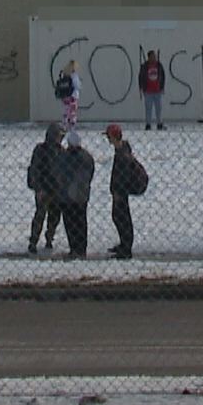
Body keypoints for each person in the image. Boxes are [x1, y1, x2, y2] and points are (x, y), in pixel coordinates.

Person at [103, 124, 146, 259]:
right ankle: (124, 244)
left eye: (109, 136)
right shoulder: (121, 150)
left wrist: (118, 192)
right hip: (120, 190)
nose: (108, 139)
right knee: (119, 217)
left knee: (121, 218)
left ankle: (126, 248)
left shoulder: (122, 155)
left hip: (121, 192)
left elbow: (122, 176)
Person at [25, 123, 65, 254]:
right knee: (40, 215)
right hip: (44, 189)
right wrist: (38, 188)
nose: (60, 139)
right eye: (59, 136)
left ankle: (49, 238)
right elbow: (35, 169)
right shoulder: (40, 150)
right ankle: (33, 241)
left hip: (57, 189)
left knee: (54, 217)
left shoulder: (61, 151)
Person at [54, 131, 96, 258]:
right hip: (82, 195)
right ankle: (82, 248)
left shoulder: (64, 157)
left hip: (66, 196)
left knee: (70, 223)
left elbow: (59, 173)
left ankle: (74, 248)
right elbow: (90, 173)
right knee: (81, 222)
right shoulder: (87, 157)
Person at [137, 51, 166, 131]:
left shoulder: (159, 65)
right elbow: (140, 77)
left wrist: (162, 87)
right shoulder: (144, 66)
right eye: (152, 56)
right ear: (149, 57)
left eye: (155, 56)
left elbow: (163, 76)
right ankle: (148, 124)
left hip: (157, 90)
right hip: (148, 91)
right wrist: (141, 87)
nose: (154, 58)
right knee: (148, 109)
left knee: (158, 108)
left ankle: (159, 123)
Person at [53, 59, 82, 132]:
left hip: (65, 96)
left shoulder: (64, 74)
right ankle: (72, 126)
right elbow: (77, 86)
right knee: (72, 112)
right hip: (73, 96)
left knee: (66, 111)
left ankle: (64, 125)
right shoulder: (74, 75)